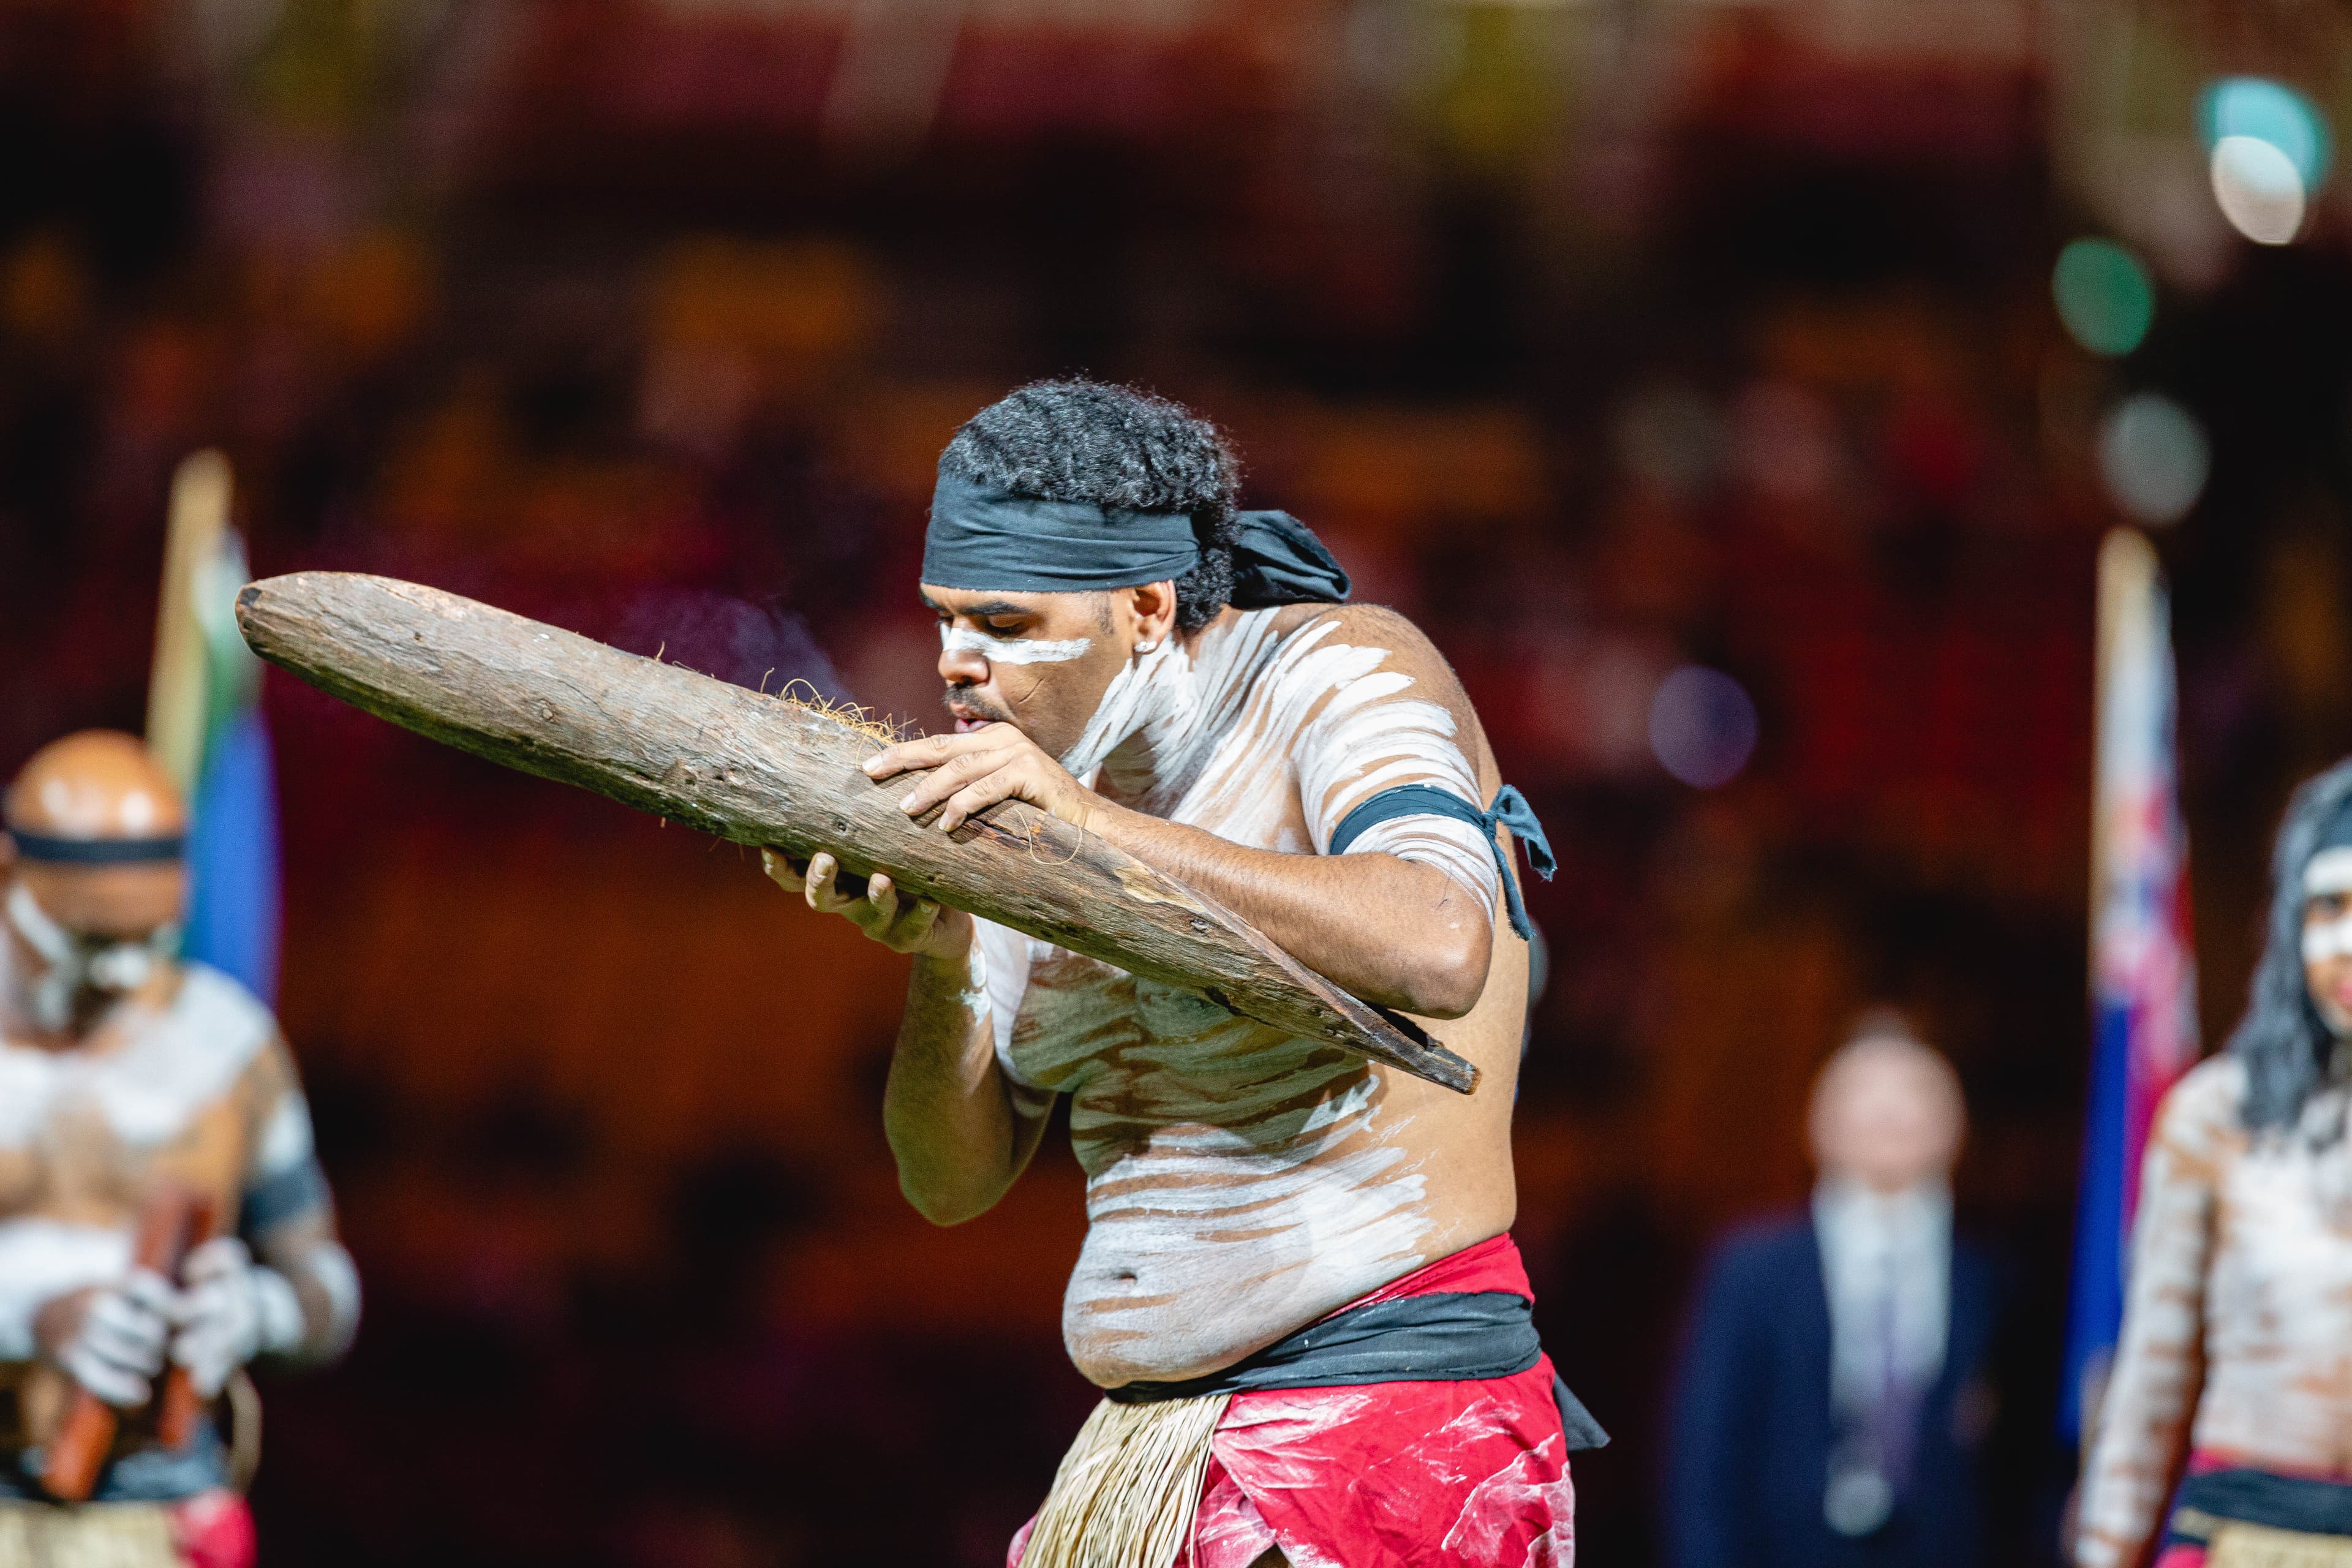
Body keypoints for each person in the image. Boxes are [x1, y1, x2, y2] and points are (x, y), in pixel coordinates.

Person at [765, 379, 1596, 1568]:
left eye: (1001, 624)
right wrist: (942, 952)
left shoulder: (1340, 671)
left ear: (1146, 605)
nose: (954, 662)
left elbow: (1440, 939)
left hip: (1381, 1413)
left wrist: (1095, 834)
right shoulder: (1035, 775)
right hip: (1150, 1452)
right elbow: (951, 1183)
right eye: (944, 618)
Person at [0, 731, 358, 1567]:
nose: (125, 977)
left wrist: (253, 1312)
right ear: (12, 872)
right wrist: (33, 1313)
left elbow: (328, 1286)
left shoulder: (225, 1044)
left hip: (155, 1510)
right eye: (91, 942)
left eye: (150, 940)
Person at [2077, 759, 2352, 1567]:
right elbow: (2150, 1382)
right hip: (2241, 1535)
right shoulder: (2217, 1114)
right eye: (2329, 907)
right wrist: (2105, 1546)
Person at [1669, 1018, 2001, 1568]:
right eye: (1866, 1092)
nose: (1890, 1112)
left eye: (1916, 1092)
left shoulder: (1989, 1277)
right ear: (1817, 1122)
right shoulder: (1753, 1269)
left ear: (1958, 1123)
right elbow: (1708, 1454)